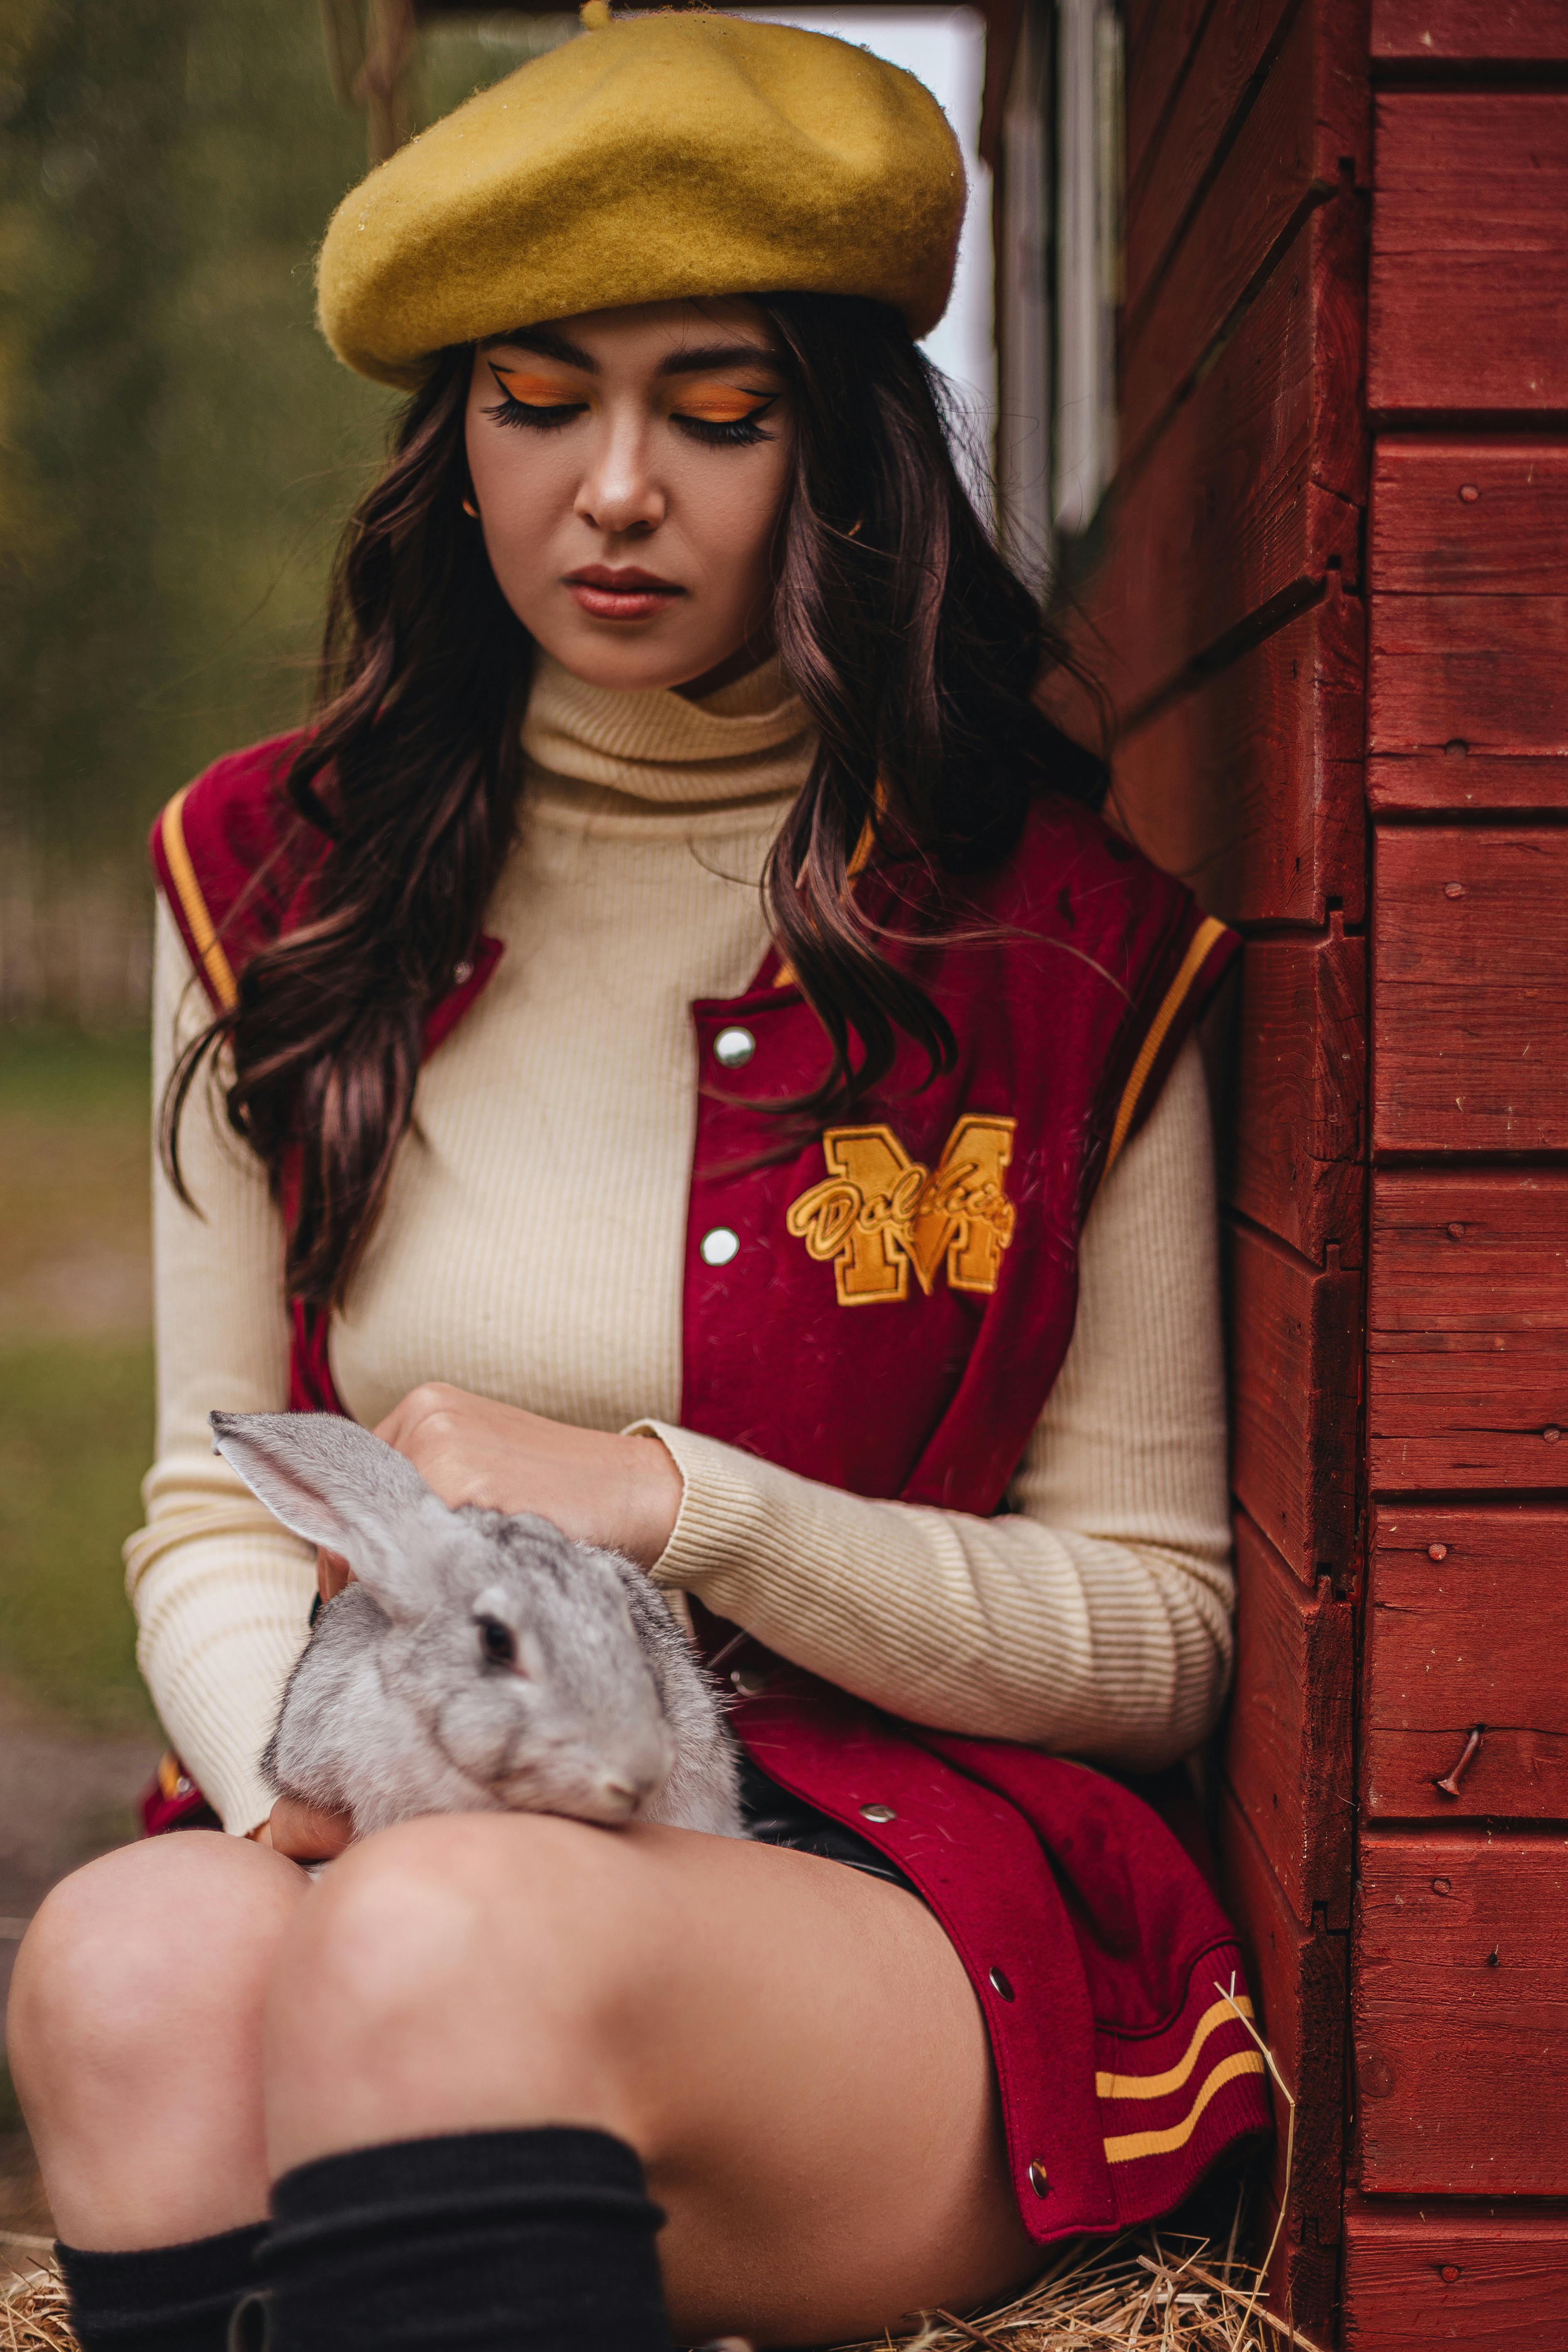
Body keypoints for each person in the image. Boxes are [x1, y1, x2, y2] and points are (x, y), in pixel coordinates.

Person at [7, 14, 1270, 2351]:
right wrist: (311, 1782)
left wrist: (683, 1502)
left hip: (876, 1893)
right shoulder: (263, 883)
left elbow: (1158, 1624)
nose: (612, 487)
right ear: (449, 437)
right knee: (117, 1963)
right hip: (408, 1794)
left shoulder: (1063, 944)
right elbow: (210, 1495)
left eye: (714, 408)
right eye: (536, 394)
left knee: (445, 1939)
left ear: (843, 451)